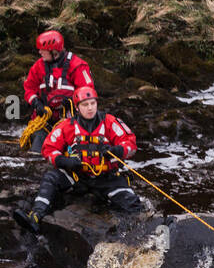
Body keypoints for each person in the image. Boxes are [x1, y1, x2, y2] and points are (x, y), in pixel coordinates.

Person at [12, 86, 141, 235]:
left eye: (93, 103)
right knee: (50, 178)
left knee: (131, 203)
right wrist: (63, 161)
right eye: (85, 105)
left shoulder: (110, 122)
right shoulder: (67, 125)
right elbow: (48, 148)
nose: (90, 108)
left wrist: (117, 151)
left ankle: (138, 233)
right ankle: (35, 216)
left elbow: (130, 143)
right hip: (77, 176)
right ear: (77, 107)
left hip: (106, 178)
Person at [22, 31, 96, 152]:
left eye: (42, 50)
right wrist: (36, 103)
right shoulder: (38, 67)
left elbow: (88, 92)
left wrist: (73, 101)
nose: (39, 52)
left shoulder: (78, 66)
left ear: (53, 51)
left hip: (71, 122)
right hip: (45, 121)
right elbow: (29, 89)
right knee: (36, 148)